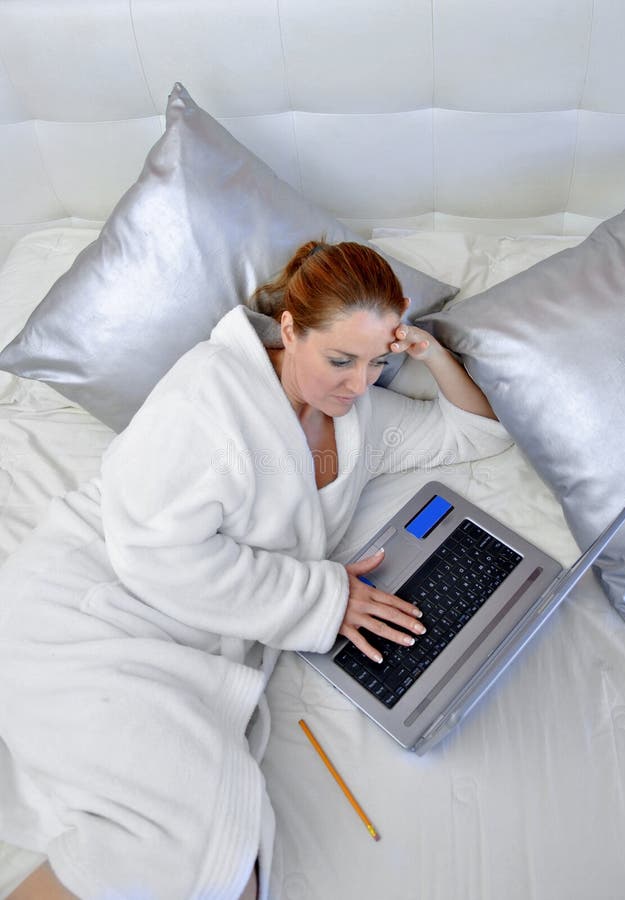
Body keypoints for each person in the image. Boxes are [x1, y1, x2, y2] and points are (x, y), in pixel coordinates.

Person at [0, 241, 510, 900]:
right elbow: (153, 550)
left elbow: (477, 433)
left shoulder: (358, 422)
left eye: (377, 362)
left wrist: (431, 353)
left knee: (227, 859)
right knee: (179, 845)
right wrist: (323, 599)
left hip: (181, 638)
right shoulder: (208, 396)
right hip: (88, 610)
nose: (359, 384)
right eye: (340, 360)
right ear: (290, 330)